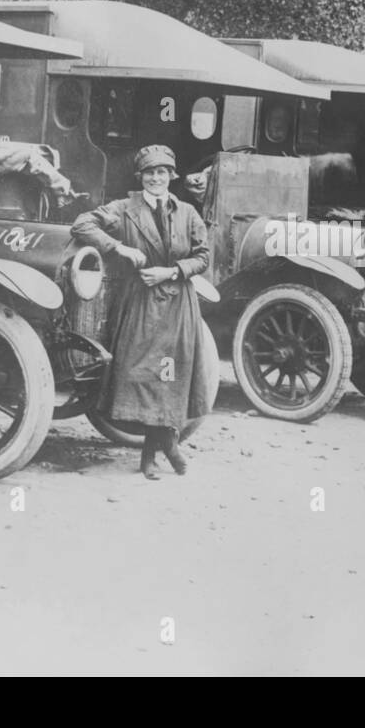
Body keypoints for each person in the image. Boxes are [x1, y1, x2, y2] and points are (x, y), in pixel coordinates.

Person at [71, 145, 212, 478]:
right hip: (140, 305)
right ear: (141, 177)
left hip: (178, 305)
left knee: (169, 376)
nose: (156, 178)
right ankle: (169, 446)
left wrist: (172, 271)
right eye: (150, 172)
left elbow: (204, 257)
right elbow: (82, 224)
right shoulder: (124, 209)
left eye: (162, 172)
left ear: (171, 176)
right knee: (141, 375)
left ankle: (151, 455)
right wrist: (118, 247)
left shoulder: (187, 212)